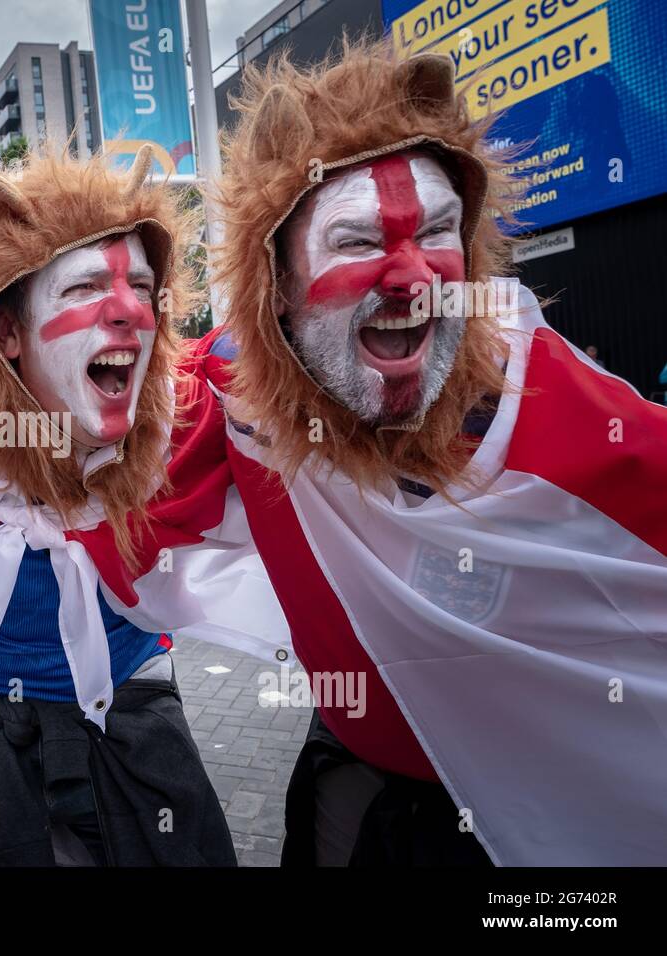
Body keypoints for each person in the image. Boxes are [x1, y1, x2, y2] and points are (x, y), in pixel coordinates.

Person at [197, 43, 667, 865]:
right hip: (354, 798)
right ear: (273, 283)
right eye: (354, 240)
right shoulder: (240, 403)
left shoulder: (552, 403)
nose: (414, 278)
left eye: (440, 232)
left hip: (536, 822)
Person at [0, 148, 264, 866]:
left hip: (129, 690)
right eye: (82, 288)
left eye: (142, 286)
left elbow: (285, 358)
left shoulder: (187, 420)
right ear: (8, 333)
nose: (124, 311)